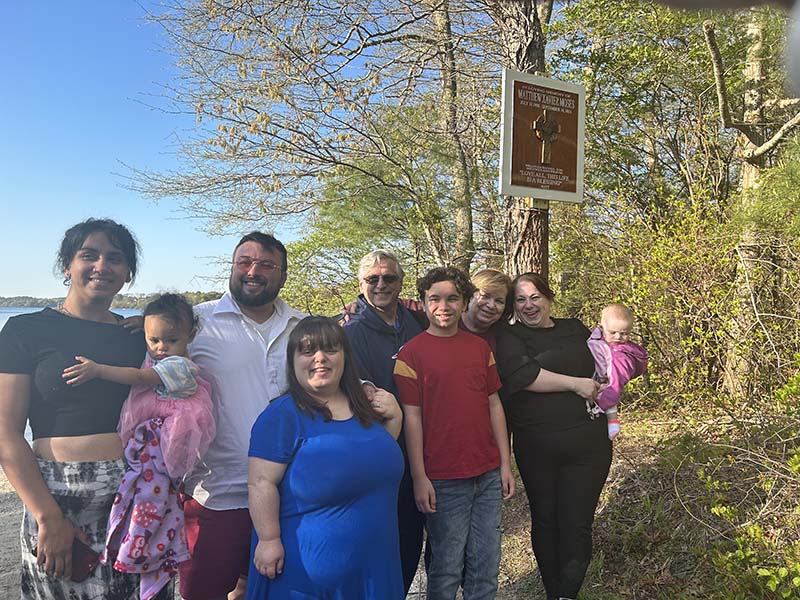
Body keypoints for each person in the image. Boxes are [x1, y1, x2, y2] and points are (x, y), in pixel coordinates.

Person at [0, 218, 145, 599]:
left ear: (127, 273)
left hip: (135, 502)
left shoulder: (141, 337)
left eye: (115, 258)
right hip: (57, 501)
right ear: (67, 265)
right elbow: (6, 431)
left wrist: (151, 324)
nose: (102, 266)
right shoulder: (25, 330)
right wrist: (47, 517)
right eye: (89, 255)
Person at [62, 292, 216, 599]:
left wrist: (98, 370)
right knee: (138, 493)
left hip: (164, 443)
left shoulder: (179, 367)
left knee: (152, 499)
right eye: (154, 340)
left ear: (191, 336)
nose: (160, 348)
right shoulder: (160, 352)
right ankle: (137, 547)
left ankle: (141, 549)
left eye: (170, 340)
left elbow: (139, 375)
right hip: (149, 443)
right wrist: (137, 324)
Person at [179, 232, 305, 600]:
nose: (253, 271)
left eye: (266, 265)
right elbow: (157, 381)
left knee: (272, 591)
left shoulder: (302, 326)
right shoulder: (195, 325)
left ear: (282, 275)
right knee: (202, 593)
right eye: (245, 262)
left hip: (291, 492)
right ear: (232, 267)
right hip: (216, 494)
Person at [246, 316, 404, 599]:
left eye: (330, 349)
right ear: (293, 361)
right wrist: (268, 540)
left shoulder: (365, 407)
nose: (320, 358)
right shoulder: (282, 415)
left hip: (374, 565)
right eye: (307, 351)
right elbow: (260, 483)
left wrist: (396, 417)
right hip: (305, 579)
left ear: (345, 356)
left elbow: (372, 463)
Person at [394, 266, 515, 600]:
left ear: (465, 302)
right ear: (424, 302)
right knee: (446, 565)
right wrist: (419, 477)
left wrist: (505, 464)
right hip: (443, 478)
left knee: (486, 563)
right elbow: (412, 419)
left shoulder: (479, 349)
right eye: (435, 299)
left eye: (452, 298)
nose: (443, 306)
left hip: (487, 473)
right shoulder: (410, 355)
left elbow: (494, 405)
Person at [495, 273, 609, 600]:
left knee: (577, 523)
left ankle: (566, 594)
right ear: (513, 306)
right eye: (520, 299)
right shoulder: (509, 335)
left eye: (535, 297)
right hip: (537, 449)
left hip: (589, 445)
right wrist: (576, 384)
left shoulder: (576, 328)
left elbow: (607, 363)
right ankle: (553, 591)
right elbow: (523, 375)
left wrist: (628, 364)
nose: (529, 305)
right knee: (546, 520)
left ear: (549, 297)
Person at [341, 249, 425, 593]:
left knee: (409, 539)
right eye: (372, 279)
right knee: (373, 541)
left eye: (388, 278)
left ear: (400, 282)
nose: (380, 284)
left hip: (420, 450)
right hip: (376, 454)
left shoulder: (417, 324)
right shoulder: (350, 332)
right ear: (360, 284)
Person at [586, 303, 649, 441]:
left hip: (606, 382)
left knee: (610, 396)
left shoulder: (620, 355)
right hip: (596, 373)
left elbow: (616, 382)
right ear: (603, 327)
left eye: (624, 333)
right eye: (613, 332)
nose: (618, 337)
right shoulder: (599, 338)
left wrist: (604, 400)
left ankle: (613, 423)